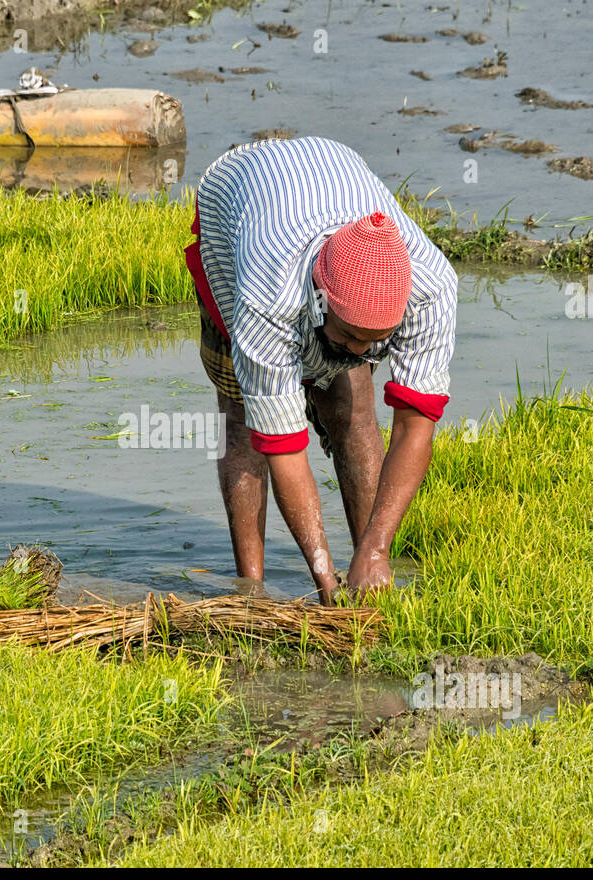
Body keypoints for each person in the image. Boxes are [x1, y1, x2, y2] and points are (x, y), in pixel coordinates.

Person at [185, 136, 457, 602]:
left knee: (353, 412)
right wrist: (323, 579)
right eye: (350, 335)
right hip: (235, 214)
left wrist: (376, 551)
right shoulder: (265, 295)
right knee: (244, 418)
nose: (361, 349)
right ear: (319, 296)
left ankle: (368, 565)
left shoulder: (431, 290)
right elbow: (283, 445)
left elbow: (415, 427)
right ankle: (250, 588)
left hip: (334, 172)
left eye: (376, 341)